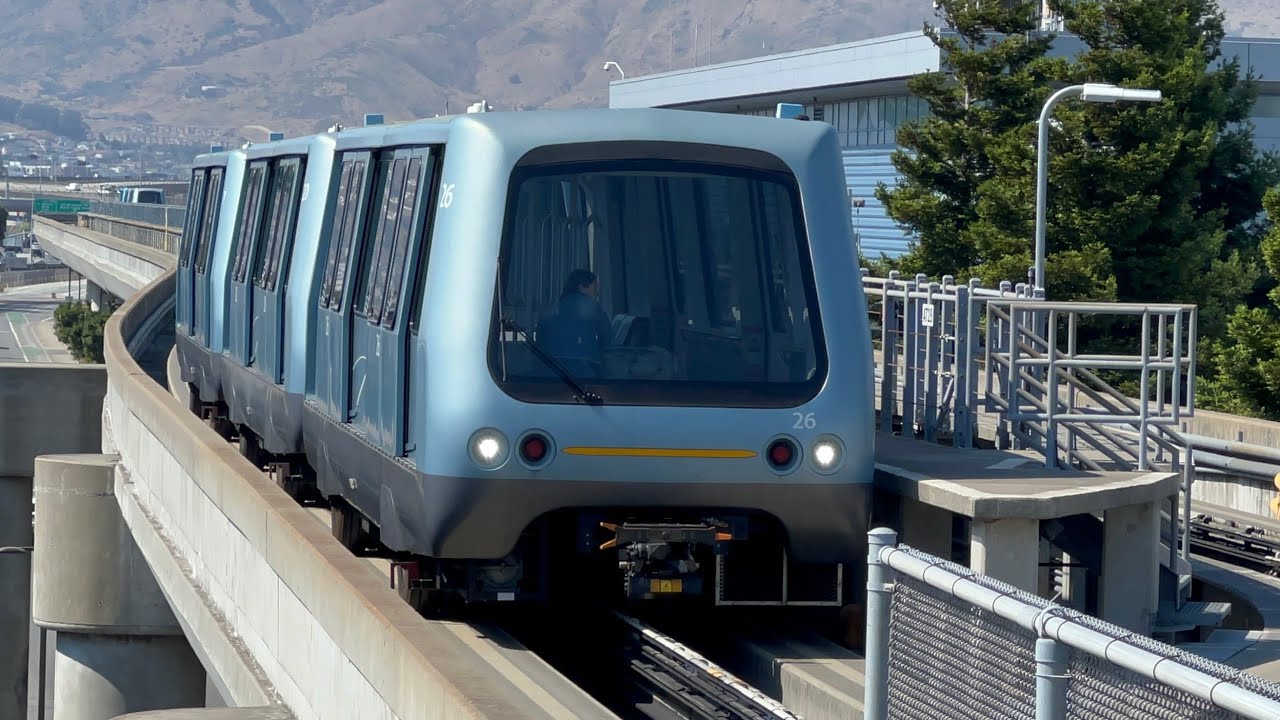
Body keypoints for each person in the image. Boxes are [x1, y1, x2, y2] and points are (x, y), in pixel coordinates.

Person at [537, 269, 613, 376]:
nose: (597, 294)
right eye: (595, 289)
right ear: (582, 287)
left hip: (549, 370)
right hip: (583, 371)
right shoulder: (593, 306)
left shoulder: (552, 307)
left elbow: (540, 339)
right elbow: (607, 339)